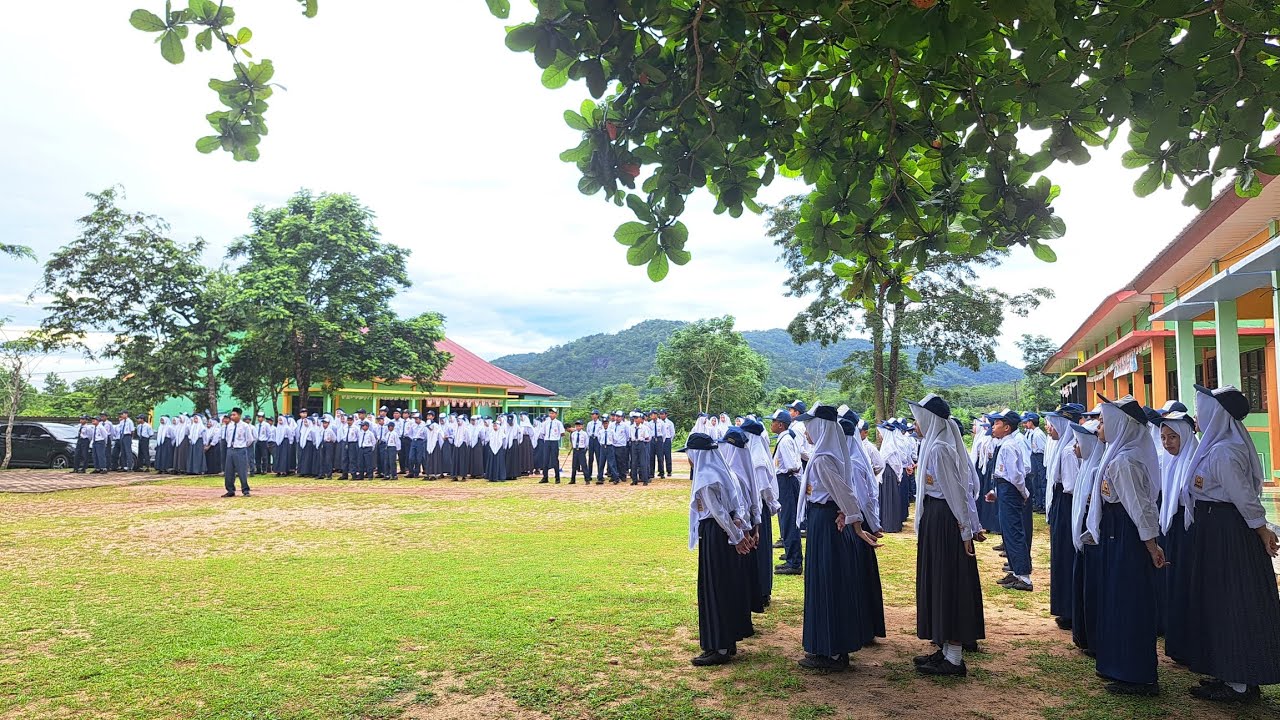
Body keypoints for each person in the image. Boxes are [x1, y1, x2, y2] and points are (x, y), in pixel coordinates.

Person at [1181, 384, 1280, 703]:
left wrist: (1262, 529)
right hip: (1217, 528)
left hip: (1228, 532)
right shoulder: (1217, 446)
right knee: (1218, 600)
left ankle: (1239, 681)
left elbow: (1244, 498)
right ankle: (1228, 673)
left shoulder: (1224, 451)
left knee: (1231, 601)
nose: (1196, 416)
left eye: (1200, 410)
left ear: (1215, 415)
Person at [1083, 395, 1164, 696]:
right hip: (1120, 534)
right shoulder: (1120, 456)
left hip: (1128, 537)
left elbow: (1139, 508)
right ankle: (1120, 666)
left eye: (1104, 421)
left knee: (1129, 602)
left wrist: (1151, 545)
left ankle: (1138, 674)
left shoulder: (1124, 461)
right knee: (1119, 600)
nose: (1099, 427)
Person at [793, 403, 879, 671]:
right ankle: (830, 647)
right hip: (828, 520)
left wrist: (854, 523)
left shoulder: (823, 459)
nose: (806, 432)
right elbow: (846, 491)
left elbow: (846, 494)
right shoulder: (831, 454)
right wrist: (846, 513)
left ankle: (831, 651)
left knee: (827, 583)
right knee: (827, 581)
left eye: (809, 426)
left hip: (826, 523)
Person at [908, 394, 985, 677]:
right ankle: (944, 650)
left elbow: (957, 493)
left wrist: (966, 529)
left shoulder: (940, 449)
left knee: (949, 583)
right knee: (938, 581)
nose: (915, 424)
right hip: (937, 518)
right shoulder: (934, 446)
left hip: (945, 520)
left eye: (918, 418)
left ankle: (954, 658)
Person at [683, 432, 754, 667]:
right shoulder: (725, 472)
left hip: (716, 536)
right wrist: (739, 529)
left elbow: (717, 512)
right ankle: (727, 641)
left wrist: (737, 537)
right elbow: (738, 506)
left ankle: (719, 646)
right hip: (727, 533)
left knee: (714, 588)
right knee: (726, 586)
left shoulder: (705, 477)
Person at [1155, 409, 1198, 665]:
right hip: (1172, 529)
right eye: (1163, 437)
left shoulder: (1194, 459)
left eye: (1173, 437)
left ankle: (1190, 647)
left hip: (1189, 533)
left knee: (1187, 587)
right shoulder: (1170, 462)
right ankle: (1178, 644)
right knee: (1174, 587)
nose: (1167, 443)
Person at [1044, 403, 1084, 631]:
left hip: (1067, 503)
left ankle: (1068, 609)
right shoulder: (1064, 447)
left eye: (1053, 424)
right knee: (1062, 555)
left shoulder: (1068, 450)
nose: (1050, 429)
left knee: (1065, 554)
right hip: (1065, 502)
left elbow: (1070, 485)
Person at [983, 409, 1032, 591]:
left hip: (1011, 491)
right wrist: (996, 491)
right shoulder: (1004, 444)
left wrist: (1023, 493)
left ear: (1007, 427)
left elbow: (1016, 475)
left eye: (997, 423)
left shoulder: (1010, 446)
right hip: (1005, 489)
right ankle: (1015, 571)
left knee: (1014, 532)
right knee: (1008, 532)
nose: (993, 426)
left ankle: (1024, 577)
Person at [1068, 416, 1104, 654]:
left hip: (1092, 541)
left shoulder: (1095, 470)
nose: (1074, 447)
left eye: (1079, 443)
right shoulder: (1085, 468)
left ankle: (1093, 638)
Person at [742, 418, 781, 607]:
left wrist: (771, 504)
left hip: (758, 507)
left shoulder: (757, 459)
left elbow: (764, 488)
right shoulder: (755, 455)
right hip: (757, 506)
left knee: (759, 551)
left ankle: (761, 590)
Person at [772, 410, 803, 576]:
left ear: (781, 424)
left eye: (773, 422)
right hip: (784, 481)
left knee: (789, 520)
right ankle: (791, 555)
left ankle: (795, 562)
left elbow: (791, 465)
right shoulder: (784, 438)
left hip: (786, 480)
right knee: (786, 520)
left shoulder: (784, 441)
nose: (771, 425)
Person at [630, 411, 653, 485]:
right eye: (634, 418)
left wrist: (642, 441)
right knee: (634, 462)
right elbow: (630, 437)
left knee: (643, 462)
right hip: (634, 443)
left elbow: (647, 437)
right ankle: (634, 480)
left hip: (641, 443)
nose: (635, 420)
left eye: (637, 418)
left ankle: (645, 479)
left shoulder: (644, 427)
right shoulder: (631, 427)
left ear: (640, 419)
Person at [609, 411, 630, 483]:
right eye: (616, 416)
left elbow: (628, 435)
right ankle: (614, 476)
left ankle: (622, 475)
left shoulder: (625, 425)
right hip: (613, 445)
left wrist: (623, 442)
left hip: (621, 446)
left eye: (618, 416)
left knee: (621, 461)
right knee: (613, 461)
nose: (617, 418)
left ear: (622, 417)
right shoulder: (611, 425)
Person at [568, 420, 590, 484]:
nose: (577, 427)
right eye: (576, 426)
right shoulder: (574, 434)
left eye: (579, 426)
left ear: (582, 426)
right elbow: (572, 441)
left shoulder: (584, 434)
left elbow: (586, 443)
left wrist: (584, 449)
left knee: (584, 465)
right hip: (575, 450)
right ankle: (573, 479)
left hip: (581, 450)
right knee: (574, 465)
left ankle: (587, 479)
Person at [657, 409, 675, 478]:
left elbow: (672, 433)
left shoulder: (670, 423)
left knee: (668, 456)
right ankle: (661, 471)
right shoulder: (658, 422)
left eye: (662, 414)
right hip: (660, 440)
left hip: (667, 440)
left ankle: (669, 471)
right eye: (660, 414)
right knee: (660, 456)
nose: (661, 415)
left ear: (666, 414)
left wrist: (669, 440)